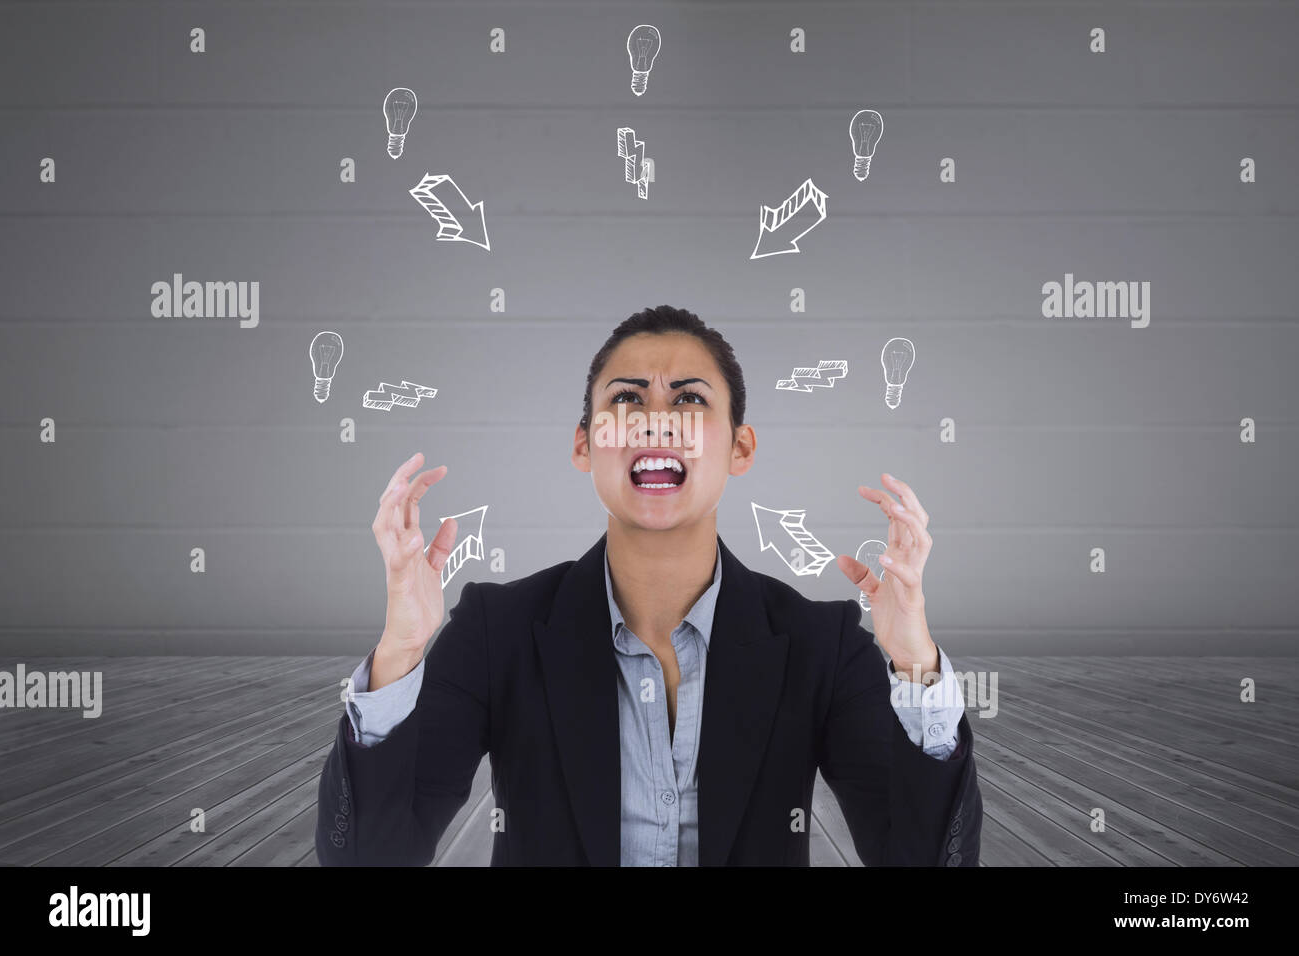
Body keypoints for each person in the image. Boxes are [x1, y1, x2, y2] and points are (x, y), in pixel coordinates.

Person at [315, 305, 982, 866]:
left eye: (690, 399)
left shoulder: (821, 643)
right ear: (585, 445)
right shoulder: (499, 631)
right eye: (626, 399)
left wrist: (915, 664)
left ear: (740, 449)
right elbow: (370, 857)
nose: (657, 421)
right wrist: (400, 652)